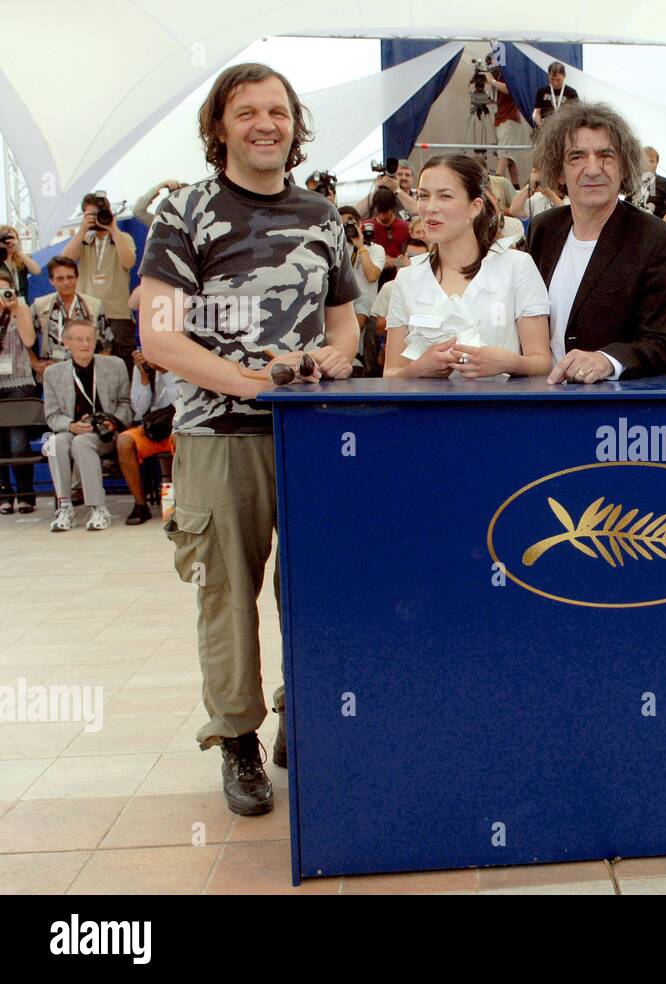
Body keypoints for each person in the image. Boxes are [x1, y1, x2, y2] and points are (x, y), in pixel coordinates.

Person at [138, 62, 360, 816]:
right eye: (248, 112)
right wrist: (250, 384)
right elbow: (159, 337)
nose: (266, 124)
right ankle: (237, 740)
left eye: (279, 111)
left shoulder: (323, 215)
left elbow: (344, 317)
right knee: (227, 593)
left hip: (311, 434)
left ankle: (301, 710)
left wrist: (336, 355)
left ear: (296, 126)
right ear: (219, 127)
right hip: (218, 435)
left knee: (318, 587)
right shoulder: (185, 211)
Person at [526, 101, 666, 383]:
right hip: (542, 398)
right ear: (559, 171)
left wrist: (607, 361)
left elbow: (661, 341)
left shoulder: (656, 239)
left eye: (605, 156)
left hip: (614, 411)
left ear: (624, 167)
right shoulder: (543, 229)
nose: (592, 169)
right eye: (576, 157)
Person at [384, 155, 552, 380]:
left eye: (445, 196)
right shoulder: (407, 278)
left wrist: (509, 362)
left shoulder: (517, 266)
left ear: (475, 206)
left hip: (498, 411)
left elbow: (542, 362)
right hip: (426, 414)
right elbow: (390, 373)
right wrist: (417, 369)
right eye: (423, 196)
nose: (430, 208)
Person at [43, 319, 132, 532]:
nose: (86, 344)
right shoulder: (52, 373)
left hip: (104, 434)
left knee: (82, 443)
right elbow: (52, 415)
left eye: (90, 339)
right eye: (79, 339)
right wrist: (71, 425)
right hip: (72, 430)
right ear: (66, 343)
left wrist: (113, 422)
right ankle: (65, 508)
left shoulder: (115, 365)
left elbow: (126, 404)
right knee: (55, 443)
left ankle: (98, 508)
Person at [60, 192, 137, 371]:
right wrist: (82, 230)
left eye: (98, 214)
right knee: (89, 365)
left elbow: (129, 261)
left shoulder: (122, 238)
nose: (96, 219)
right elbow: (65, 261)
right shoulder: (85, 240)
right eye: (90, 215)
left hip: (118, 313)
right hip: (88, 314)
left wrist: (113, 229)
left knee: (122, 366)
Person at [116, 349, 178, 525]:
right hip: (152, 427)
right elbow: (139, 409)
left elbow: (181, 402)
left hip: (176, 425)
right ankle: (140, 504)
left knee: (181, 439)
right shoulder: (143, 364)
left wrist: (164, 371)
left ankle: (180, 504)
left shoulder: (180, 358)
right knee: (124, 441)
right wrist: (143, 377)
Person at [29, 257, 108, 379]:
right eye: (60, 278)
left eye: (70, 277)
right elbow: (24, 340)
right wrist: (35, 363)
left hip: (87, 371)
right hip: (53, 371)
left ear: (77, 277)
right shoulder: (40, 305)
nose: (66, 282)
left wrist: (100, 372)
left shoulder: (94, 305)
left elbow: (106, 343)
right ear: (51, 281)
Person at [0, 271, 38, 514]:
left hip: (20, 382)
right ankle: (4, 494)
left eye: (4, 289)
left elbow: (30, 340)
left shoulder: (21, 308)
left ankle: (26, 495)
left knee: (18, 441)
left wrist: (14, 309)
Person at [486, 58, 528, 187]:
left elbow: (510, 89)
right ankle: (516, 187)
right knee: (509, 157)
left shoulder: (508, 74)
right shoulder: (498, 76)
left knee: (504, 154)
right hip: (500, 118)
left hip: (509, 119)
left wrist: (492, 81)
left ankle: (496, 185)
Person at [366, 186, 410, 264]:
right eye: (379, 211)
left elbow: (414, 258)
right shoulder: (366, 227)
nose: (382, 216)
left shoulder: (407, 228)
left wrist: (396, 262)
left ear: (393, 208)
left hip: (400, 272)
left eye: (385, 212)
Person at [0, 225, 39, 303]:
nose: (9, 241)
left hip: (22, 304)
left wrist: (19, 251)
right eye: (6, 238)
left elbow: (36, 271)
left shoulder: (22, 260)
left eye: (12, 238)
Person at [532, 61, 579, 127]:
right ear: (548, 76)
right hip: (545, 127)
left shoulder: (571, 93)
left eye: (558, 80)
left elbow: (576, 114)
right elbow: (537, 111)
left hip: (563, 127)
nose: (555, 83)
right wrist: (539, 123)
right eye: (552, 79)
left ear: (564, 76)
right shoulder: (542, 91)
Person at [642, 147, 666, 219]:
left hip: (658, 228)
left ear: (657, 163)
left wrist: (665, 222)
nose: (648, 164)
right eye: (644, 161)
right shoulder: (632, 185)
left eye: (651, 161)